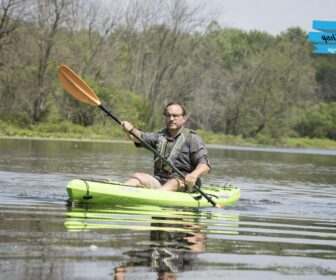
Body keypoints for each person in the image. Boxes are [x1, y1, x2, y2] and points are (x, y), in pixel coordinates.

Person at [121, 102, 211, 192]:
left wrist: (194, 175)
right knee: (137, 176)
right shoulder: (159, 136)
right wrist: (130, 129)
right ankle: (120, 191)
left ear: (184, 118)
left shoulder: (193, 139)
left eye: (175, 116)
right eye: (168, 115)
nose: (171, 119)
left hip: (184, 182)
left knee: (173, 183)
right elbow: (138, 137)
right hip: (159, 180)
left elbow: (205, 166)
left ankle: (154, 197)